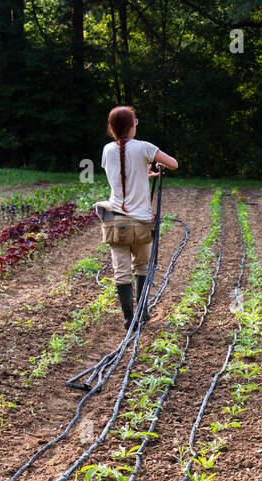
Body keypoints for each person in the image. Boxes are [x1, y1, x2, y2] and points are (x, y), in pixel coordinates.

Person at [96, 106, 179, 327]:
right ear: (132, 125)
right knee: (141, 267)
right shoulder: (144, 147)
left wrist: (144, 173)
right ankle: (142, 312)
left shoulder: (107, 150)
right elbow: (173, 163)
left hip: (115, 220)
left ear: (112, 129)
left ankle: (127, 317)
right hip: (141, 222)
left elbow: (122, 173)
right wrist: (156, 166)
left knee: (121, 272)